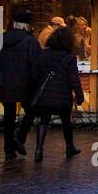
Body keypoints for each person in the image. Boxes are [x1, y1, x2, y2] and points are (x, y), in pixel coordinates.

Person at [28, 26, 85, 162]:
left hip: (46, 94)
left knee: (44, 121)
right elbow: (74, 78)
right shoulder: (69, 57)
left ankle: (38, 150)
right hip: (62, 94)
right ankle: (69, 147)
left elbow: (36, 73)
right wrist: (79, 95)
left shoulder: (44, 54)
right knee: (66, 121)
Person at [0, 9, 39, 160]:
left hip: (6, 82)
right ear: (26, 25)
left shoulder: (2, 38)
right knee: (31, 110)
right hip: (25, 82)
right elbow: (35, 63)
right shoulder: (30, 40)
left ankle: (8, 149)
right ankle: (20, 137)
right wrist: (35, 82)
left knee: (9, 116)